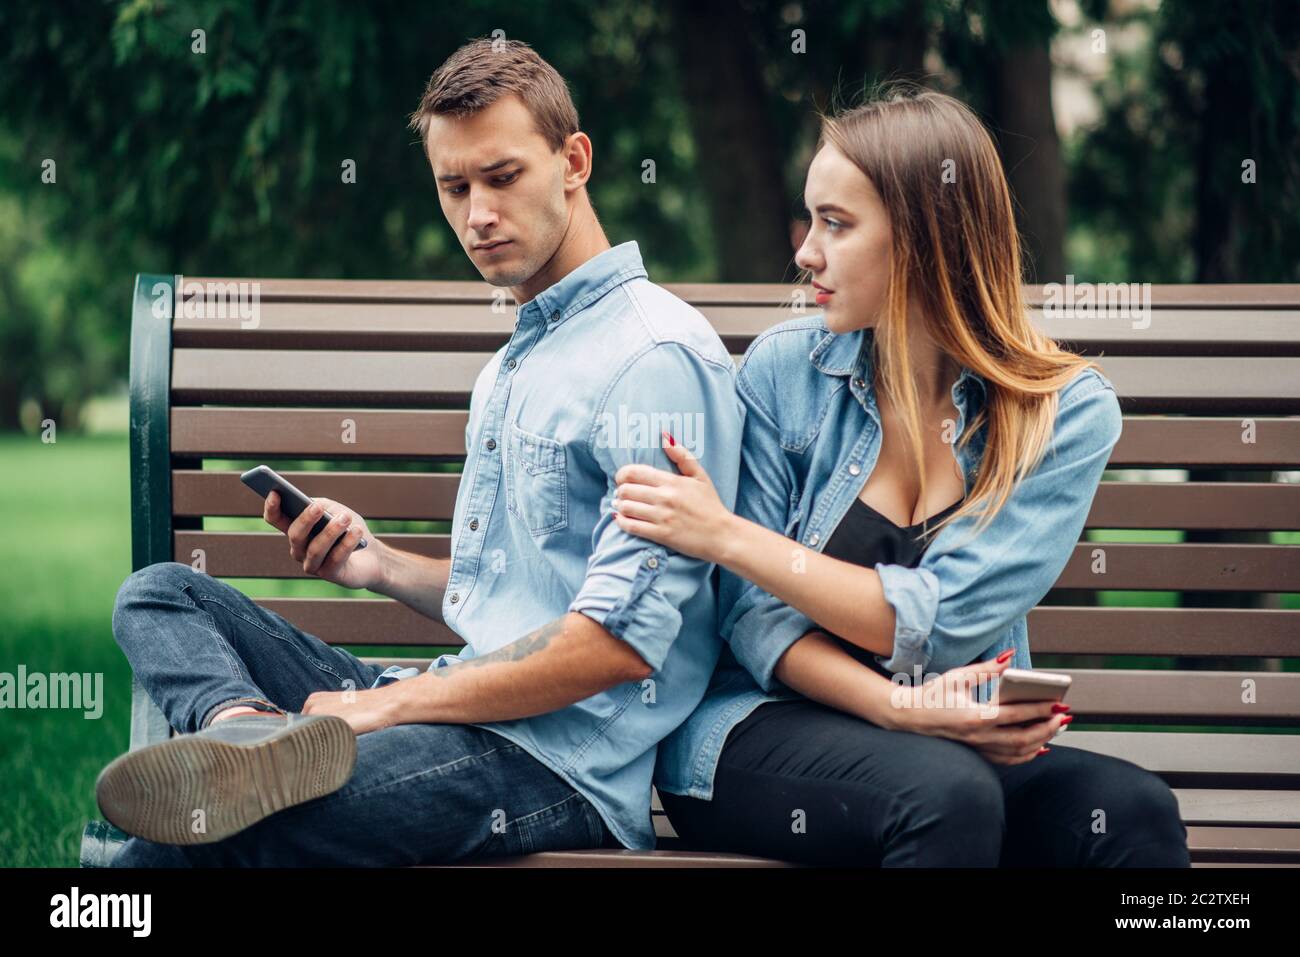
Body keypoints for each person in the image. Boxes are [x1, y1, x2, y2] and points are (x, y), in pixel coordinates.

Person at [100, 36, 743, 866]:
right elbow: (514, 600)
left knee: (207, 837)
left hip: (550, 764)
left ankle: (194, 818)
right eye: (455, 186)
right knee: (160, 595)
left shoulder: (650, 357)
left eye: (502, 177)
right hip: (447, 702)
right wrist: (375, 564)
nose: (477, 213)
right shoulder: (518, 356)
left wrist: (397, 706)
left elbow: (616, 644)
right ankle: (247, 738)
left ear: (574, 161)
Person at [612, 85, 1191, 867]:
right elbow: (755, 622)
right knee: (943, 794)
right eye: (811, 218)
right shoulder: (786, 370)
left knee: (1133, 810)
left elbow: (939, 623)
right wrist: (897, 707)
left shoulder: (1063, 412)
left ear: (928, 236)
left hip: (955, 735)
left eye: (836, 224)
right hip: (759, 728)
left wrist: (732, 535)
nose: (806, 251)